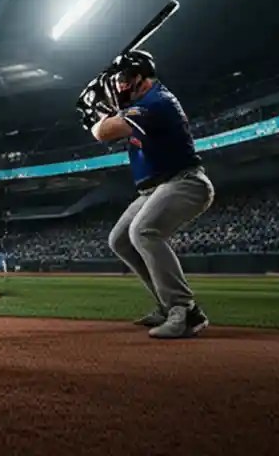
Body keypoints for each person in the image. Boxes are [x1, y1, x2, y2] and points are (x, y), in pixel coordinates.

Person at [85, 50, 215, 339]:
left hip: (185, 182)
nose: (118, 86)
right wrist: (103, 111)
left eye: (123, 80)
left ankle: (184, 310)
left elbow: (103, 133)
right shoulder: (141, 104)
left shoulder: (156, 101)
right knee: (119, 240)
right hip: (154, 188)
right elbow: (113, 122)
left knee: (143, 231)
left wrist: (95, 113)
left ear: (140, 78)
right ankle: (165, 304)